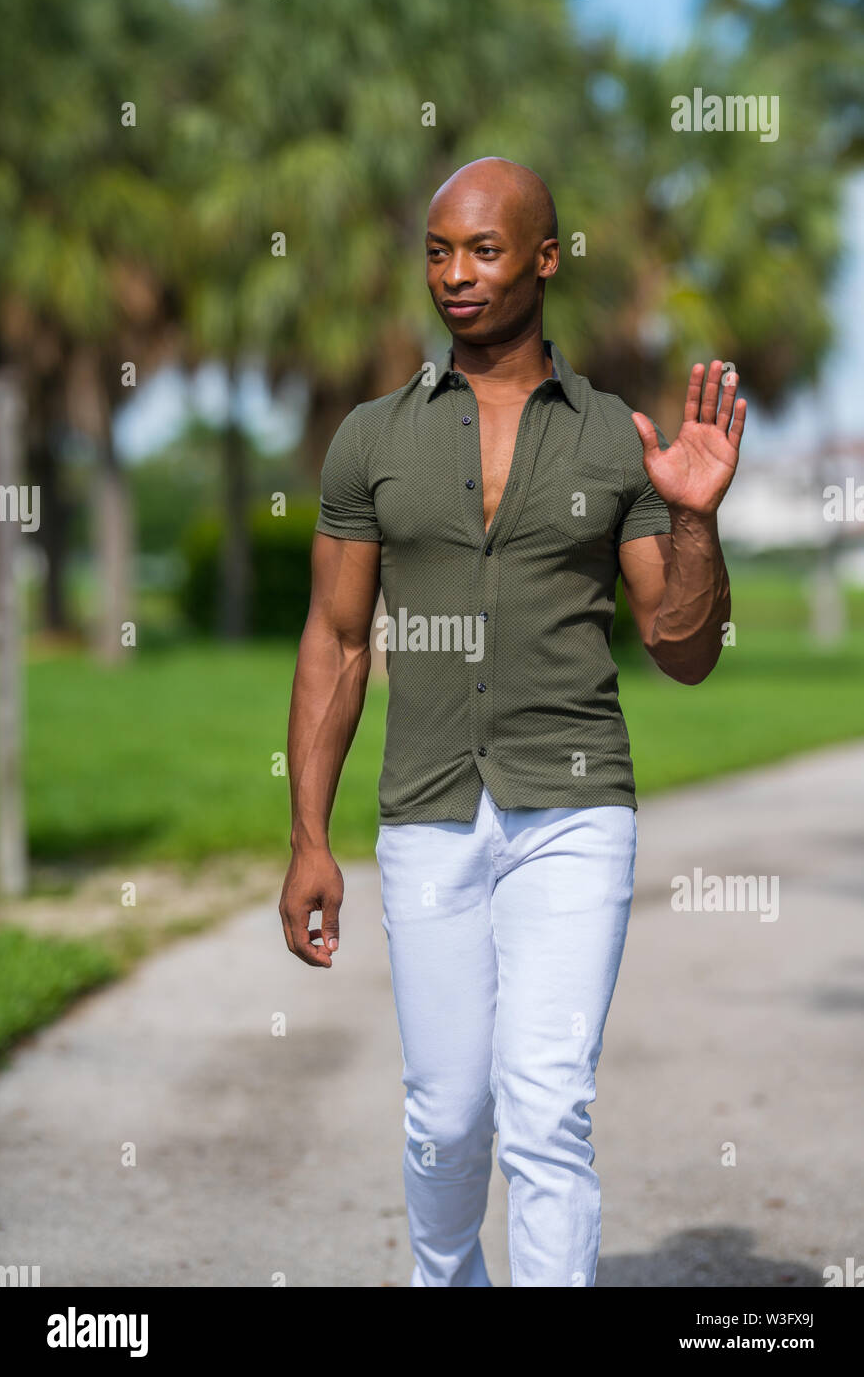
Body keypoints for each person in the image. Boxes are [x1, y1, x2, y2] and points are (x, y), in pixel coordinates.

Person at [278, 156, 746, 1287]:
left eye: (484, 249)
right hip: (429, 809)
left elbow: (682, 651)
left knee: (547, 1106)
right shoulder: (372, 439)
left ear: (545, 258)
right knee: (447, 1115)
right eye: (438, 251)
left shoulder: (611, 441)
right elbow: (335, 643)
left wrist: (691, 521)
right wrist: (307, 839)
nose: (456, 274)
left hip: (575, 811)